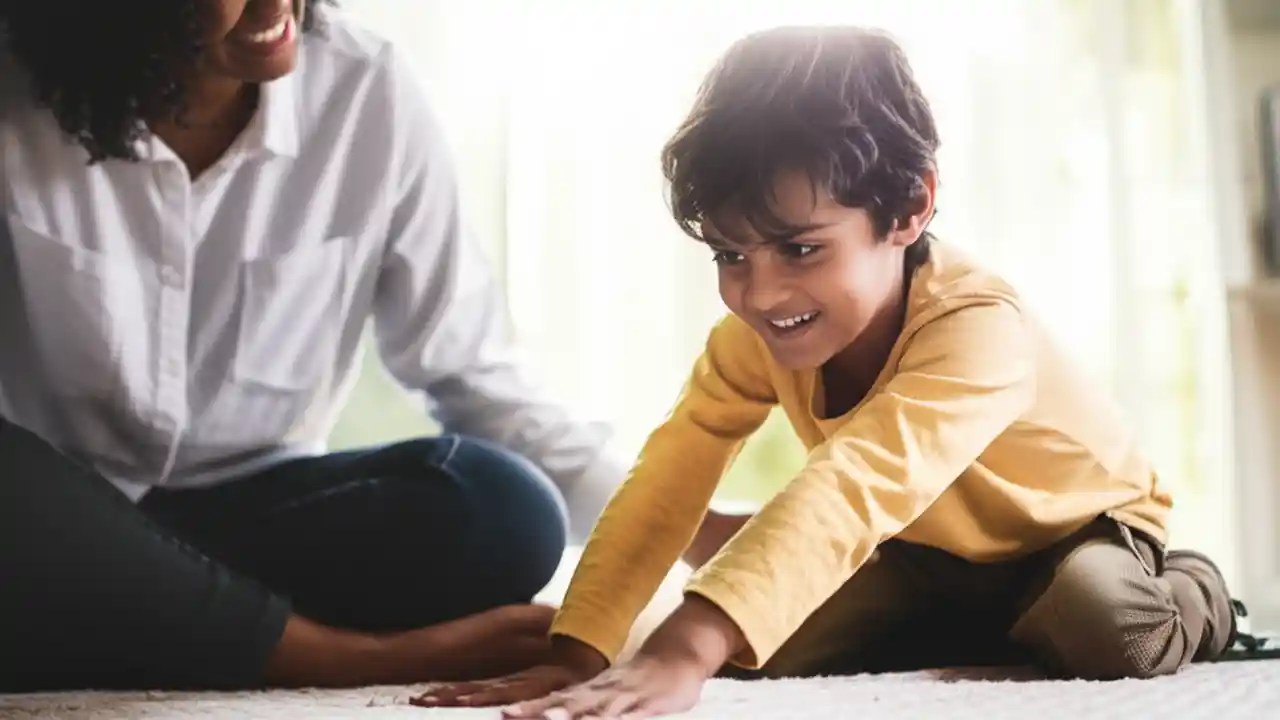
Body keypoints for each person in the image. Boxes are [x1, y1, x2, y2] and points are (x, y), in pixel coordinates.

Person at [416, 25, 1240, 719]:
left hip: (1070, 536)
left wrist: (687, 642)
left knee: (1112, 633)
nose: (760, 292)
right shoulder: (753, 336)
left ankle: (1199, 590)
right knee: (762, 649)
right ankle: (993, 627)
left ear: (909, 207)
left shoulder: (980, 327)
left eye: (801, 248)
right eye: (730, 254)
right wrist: (579, 650)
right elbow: (668, 477)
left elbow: (858, 482)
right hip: (920, 551)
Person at [0, 0, 734, 691]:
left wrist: (691, 528)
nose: (274, 7)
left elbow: (473, 374)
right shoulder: (14, 92)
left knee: (505, 510)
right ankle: (341, 658)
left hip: (260, 524)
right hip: (49, 512)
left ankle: (120, 625)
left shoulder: (363, 93)